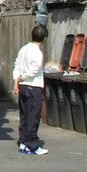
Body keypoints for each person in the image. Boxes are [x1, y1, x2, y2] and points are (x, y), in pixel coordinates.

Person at [14, 24, 49, 155]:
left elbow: (17, 65)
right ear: (44, 38)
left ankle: (23, 142)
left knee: (24, 115)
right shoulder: (37, 52)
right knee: (33, 116)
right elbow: (34, 70)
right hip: (33, 86)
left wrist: (16, 81)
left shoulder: (24, 49)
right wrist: (23, 77)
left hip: (23, 86)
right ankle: (32, 144)